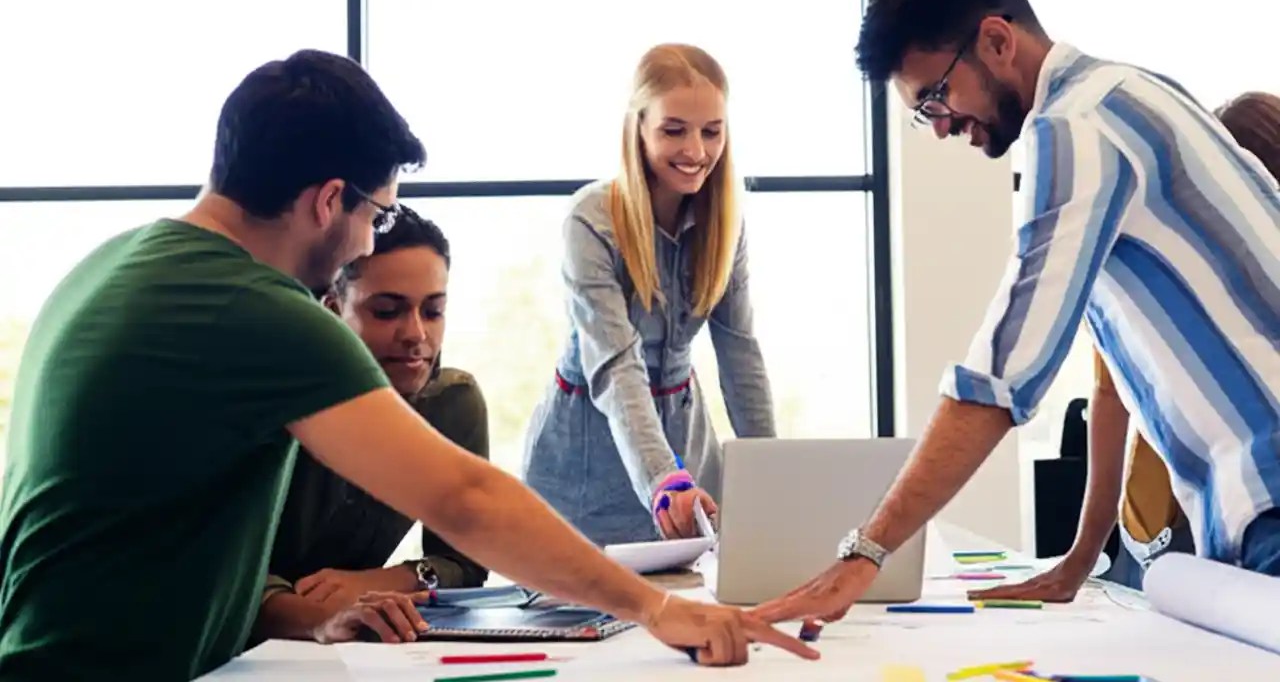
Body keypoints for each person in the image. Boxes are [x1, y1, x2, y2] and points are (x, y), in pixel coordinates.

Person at [0, 49, 818, 681]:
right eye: (376, 215)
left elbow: (134, 529)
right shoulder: (257, 310)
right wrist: (653, 609)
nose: (368, 243)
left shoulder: (117, 264)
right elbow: (462, 496)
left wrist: (302, 617)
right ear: (329, 201)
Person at [752, 0, 1280, 626]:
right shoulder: (1132, 93)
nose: (941, 128)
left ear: (998, 42)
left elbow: (1002, 375)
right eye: (924, 117)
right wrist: (1080, 558)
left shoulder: (1074, 128)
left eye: (935, 100)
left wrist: (861, 556)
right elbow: (1118, 380)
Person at [975, 90, 1280, 601]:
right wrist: (1083, 554)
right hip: (1159, 535)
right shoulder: (1152, 279)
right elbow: (1110, 399)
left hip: (1240, 519)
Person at [522, 43, 775, 546]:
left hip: (688, 442)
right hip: (589, 456)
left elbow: (740, 353)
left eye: (712, 131)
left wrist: (773, 470)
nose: (697, 151)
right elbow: (617, 365)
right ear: (638, 127)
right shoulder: (591, 219)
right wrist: (664, 479)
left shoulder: (725, 223)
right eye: (674, 130)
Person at [254, 207, 491, 642]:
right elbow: (227, 580)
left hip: (345, 647)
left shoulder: (452, 404)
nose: (416, 334)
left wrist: (382, 580)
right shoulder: (271, 408)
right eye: (386, 311)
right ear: (330, 309)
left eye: (434, 311)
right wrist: (319, 619)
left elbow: (468, 563)